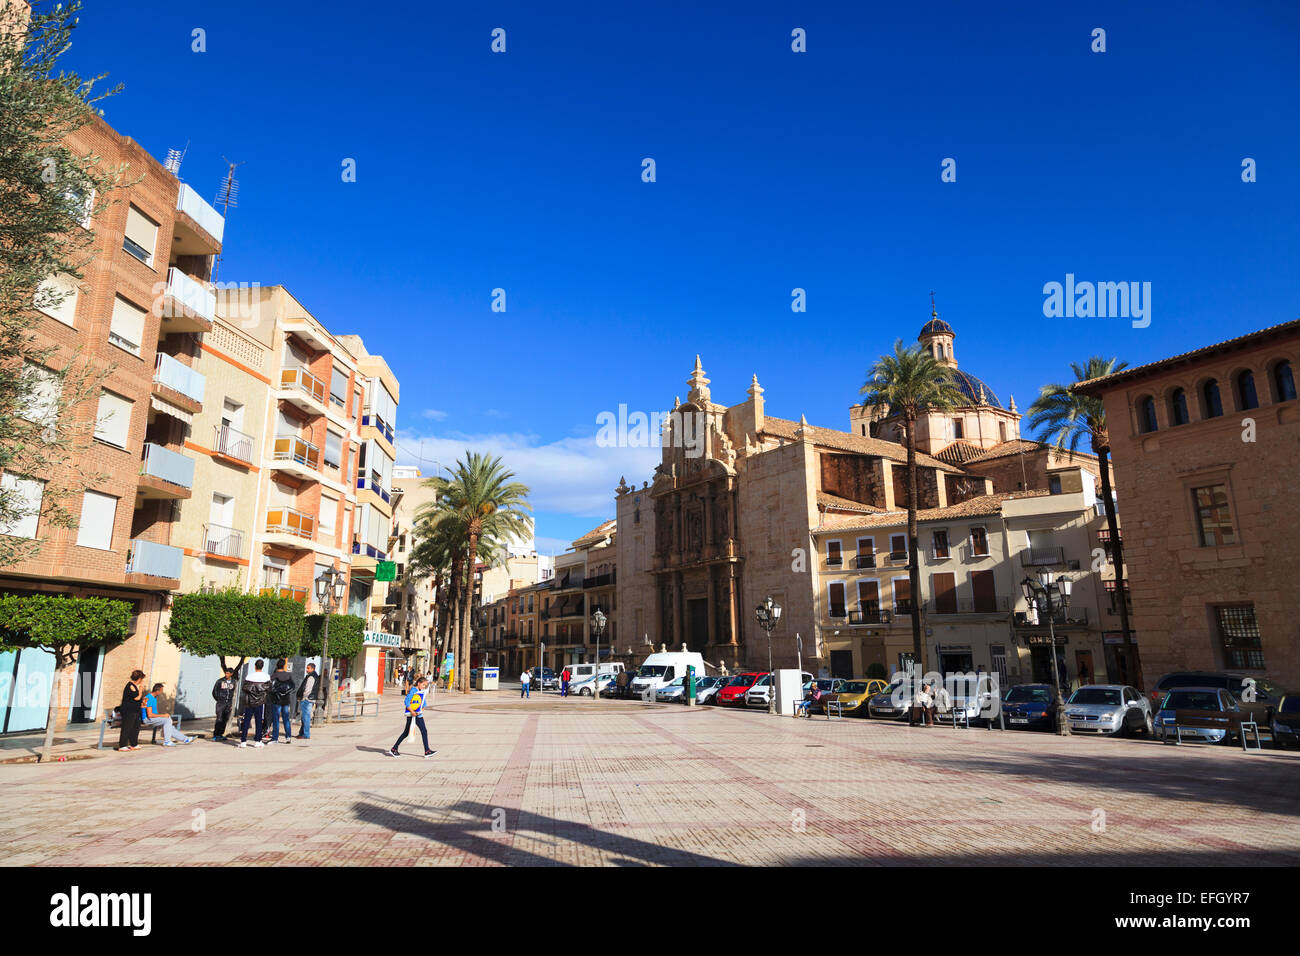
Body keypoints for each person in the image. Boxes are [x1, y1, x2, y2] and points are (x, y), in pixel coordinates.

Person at [386, 676, 434, 758]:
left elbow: (424, 703)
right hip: (412, 715)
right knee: (406, 733)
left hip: (418, 715)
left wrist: (421, 710)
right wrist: (412, 712)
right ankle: (394, 749)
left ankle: (427, 750)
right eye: (423, 685)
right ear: (419, 683)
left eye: (425, 686)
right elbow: (407, 701)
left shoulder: (420, 691)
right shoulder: (413, 691)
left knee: (423, 731)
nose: (424, 687)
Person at [238, 660, 271, 748]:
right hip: (260, 702)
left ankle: (243, 741)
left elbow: (244, 688)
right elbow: (268, 688)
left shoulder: (249, 676)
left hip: (249, 701)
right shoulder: (266, 676)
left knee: (246, 721)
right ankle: (257, 741)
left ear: (255, 666)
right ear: (262, 666)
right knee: (259, 721)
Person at [266, 659, 295, 743]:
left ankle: (275, 738)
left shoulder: (274, 676)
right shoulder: (288, 675)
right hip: (286, 700)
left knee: (276, 719)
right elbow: (292, 686)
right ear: (284, 666)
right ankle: (288, 737)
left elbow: (270, 688)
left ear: (277, 665)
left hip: (276, 700)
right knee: (286, 718)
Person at [117, 670, 146, 751]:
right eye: (142, 679)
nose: (142, 681)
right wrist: (140, 690)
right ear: (139, 679)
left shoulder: (133, 686)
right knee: (127, 727)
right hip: (129, 711)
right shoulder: (130, 686)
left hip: (135, 711)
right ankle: (122, 745)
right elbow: (137, 698)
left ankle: (134, 744)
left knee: (136, 727)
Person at [212, 668, 236, 741]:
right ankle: (216, 734)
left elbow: (232, 692)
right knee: (219, 718)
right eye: (226, 673)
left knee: (225, 719)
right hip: (221, 703)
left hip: (228, 703)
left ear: (231, 674)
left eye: (228, 673)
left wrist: (230, 703)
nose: (226, 675)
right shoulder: (220, 681)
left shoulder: (233, 682)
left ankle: (221, 734)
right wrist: (219, 699)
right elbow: (214, 692)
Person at [296, 662, 320, 739]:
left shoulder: (311, 677)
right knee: (304, 717)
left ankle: (306, 734)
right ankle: (302, 733)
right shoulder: (313, 676)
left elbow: (308, 689)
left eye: (308, 668)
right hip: (310, 699)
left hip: (308, 699)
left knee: (306, 717)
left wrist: (304, 697)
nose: (307, 669)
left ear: (312, 669)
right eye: (307, 668)